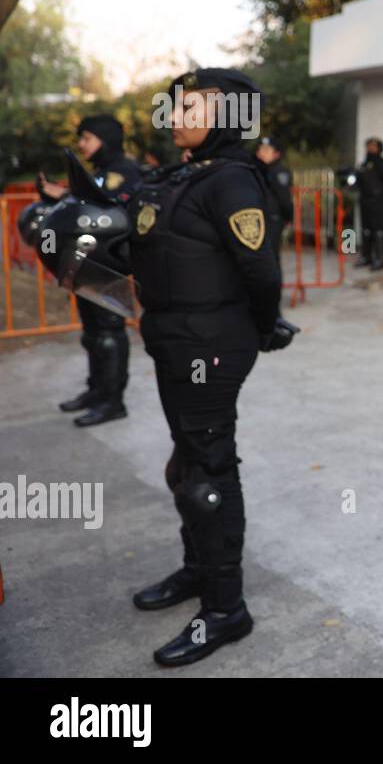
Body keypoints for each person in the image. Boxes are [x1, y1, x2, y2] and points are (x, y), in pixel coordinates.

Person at [125, 68, 297, 666]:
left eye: (192, 107)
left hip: (211, 344)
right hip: (172, 337)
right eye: (175, 105)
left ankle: (227, 609)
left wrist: (264, 323)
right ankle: (200, 571)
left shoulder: (232, 181)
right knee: (188, 464)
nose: (175, 115)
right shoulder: (177, 177)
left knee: (207, 473)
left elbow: (261, 271)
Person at [38, 115, 141, 427]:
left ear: (105, 139)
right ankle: (97, 391)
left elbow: (108, 210)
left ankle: (112, 401)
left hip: (108, 263)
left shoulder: (123, 171)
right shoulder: (99, 173)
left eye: (87, 138)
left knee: (108, 331)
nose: (82, 145)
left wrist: (66, 198)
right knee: (93, 332)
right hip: (88, 263)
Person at [354, 136, 383, 270]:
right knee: (365, 230)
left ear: (379, 148)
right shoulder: (363, 164)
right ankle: (366, 257)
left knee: (378, 231)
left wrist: (381, 196)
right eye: (368, 146)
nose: (370, 148)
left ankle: (381, 259)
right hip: (365, 201)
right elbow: (358, 181)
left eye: (373, 146)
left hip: (379, 202)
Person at [255, 135, 293, 251]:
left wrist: (288, 216)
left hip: (273, 219)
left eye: (266, 150)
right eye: (260, 149)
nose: (262, 153)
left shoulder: (278, 172)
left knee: (270, 255)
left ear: (276, 154)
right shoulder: (258, 170)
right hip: (259, 219)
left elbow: (284, 198)